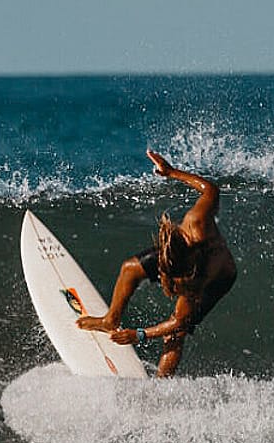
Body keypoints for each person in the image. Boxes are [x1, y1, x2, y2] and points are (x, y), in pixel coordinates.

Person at [77, 150, 237, 377]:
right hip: (184, 255)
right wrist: (172, 172)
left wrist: (139, 334)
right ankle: (110, 319)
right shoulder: (191, 223)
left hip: (220, 278)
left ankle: (159, 386)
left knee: (175, 335)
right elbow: (211, 190)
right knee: (130, 268)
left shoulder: (200, 275)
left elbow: (177, 321)